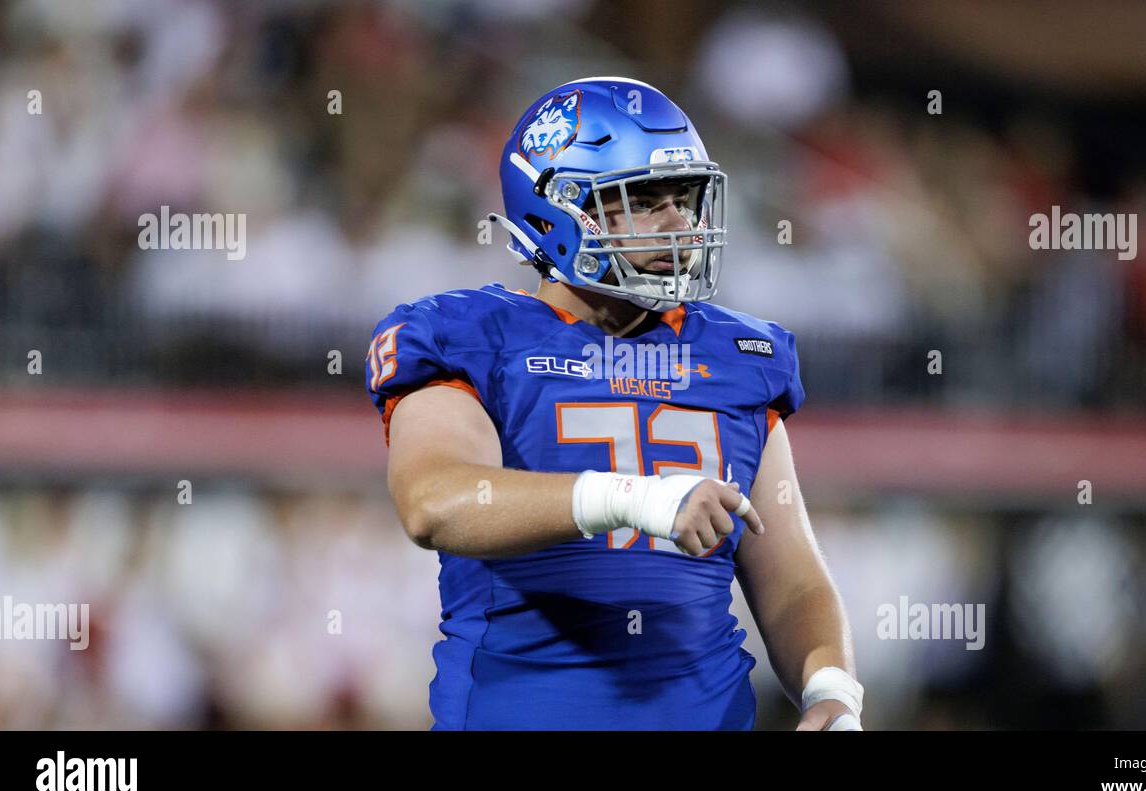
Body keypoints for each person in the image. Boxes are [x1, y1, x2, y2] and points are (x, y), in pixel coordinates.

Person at [365, 77, 862, 730]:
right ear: (560, 210)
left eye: (683, 198)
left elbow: (793, 574)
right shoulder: (472, 336)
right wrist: (633, 498)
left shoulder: (738, 356)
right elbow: (434, 501)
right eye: (645, 200)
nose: (678, 222)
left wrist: (830, 688)